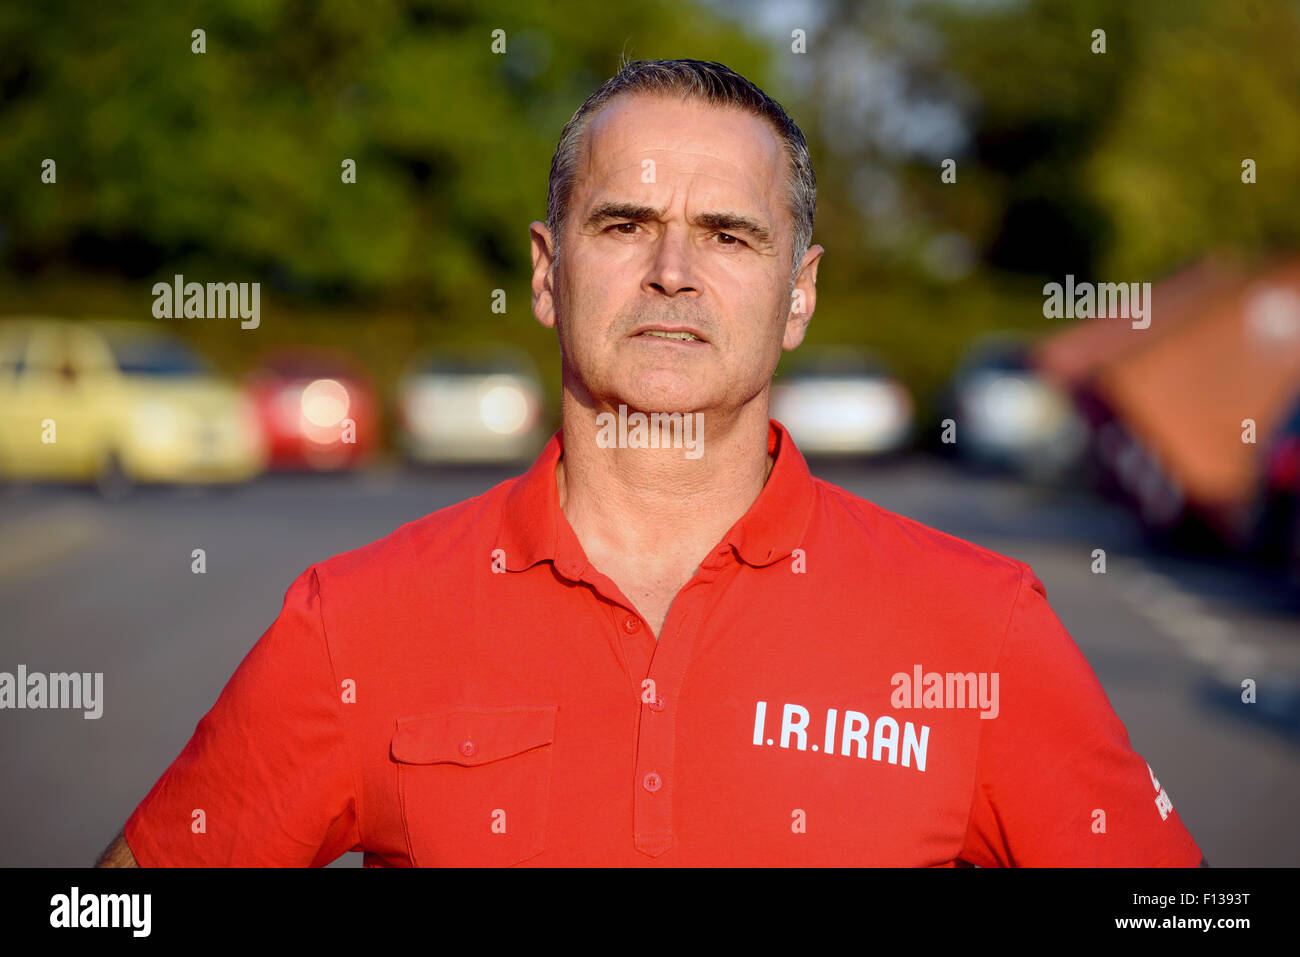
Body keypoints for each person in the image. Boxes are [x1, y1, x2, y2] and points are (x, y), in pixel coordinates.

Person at [97, 57, 1205, 867]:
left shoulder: (980, 625)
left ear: (800, 294)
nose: (674, 271)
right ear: (545, 271)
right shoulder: (355, 617)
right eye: (623, 224)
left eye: (729, 234)